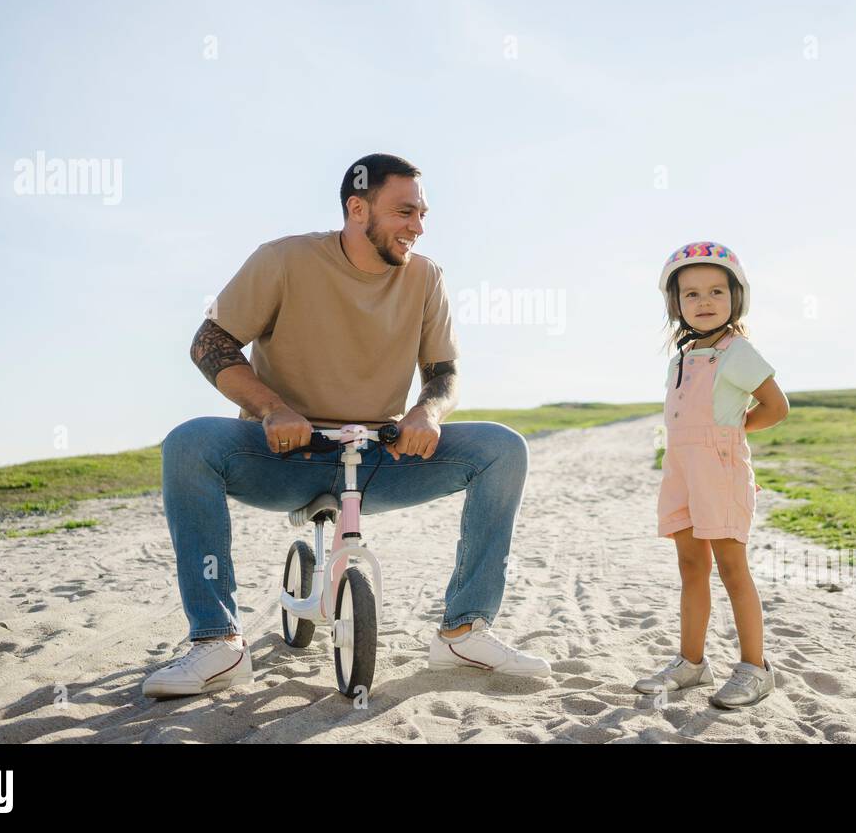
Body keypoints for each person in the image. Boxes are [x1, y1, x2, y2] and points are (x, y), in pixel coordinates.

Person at [142, 153, 550, 699]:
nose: (418, 227)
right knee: (188, 443)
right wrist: (272, 408)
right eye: (404, 212)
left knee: (503, 448)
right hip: (281, 454)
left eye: (423, 213)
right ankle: (217, 642)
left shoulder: (427, 277)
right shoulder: (282, 259)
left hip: (378, 455)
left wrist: (427, 412)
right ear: (357, 209)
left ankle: (463, 630)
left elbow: (444, 374)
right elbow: (208, 342)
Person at [632, 242, 789, 708]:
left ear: (735, 298)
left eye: (716, 291)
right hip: (680, 471)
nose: (704, 302)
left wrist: (732, 437)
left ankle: (755, 668)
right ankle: (692, 663)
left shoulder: (736, 351)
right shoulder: (680, 357)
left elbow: (776, 407)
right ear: (676, 304)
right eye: (692, 294)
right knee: (690, 566)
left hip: (718, 471)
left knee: (732, 569)